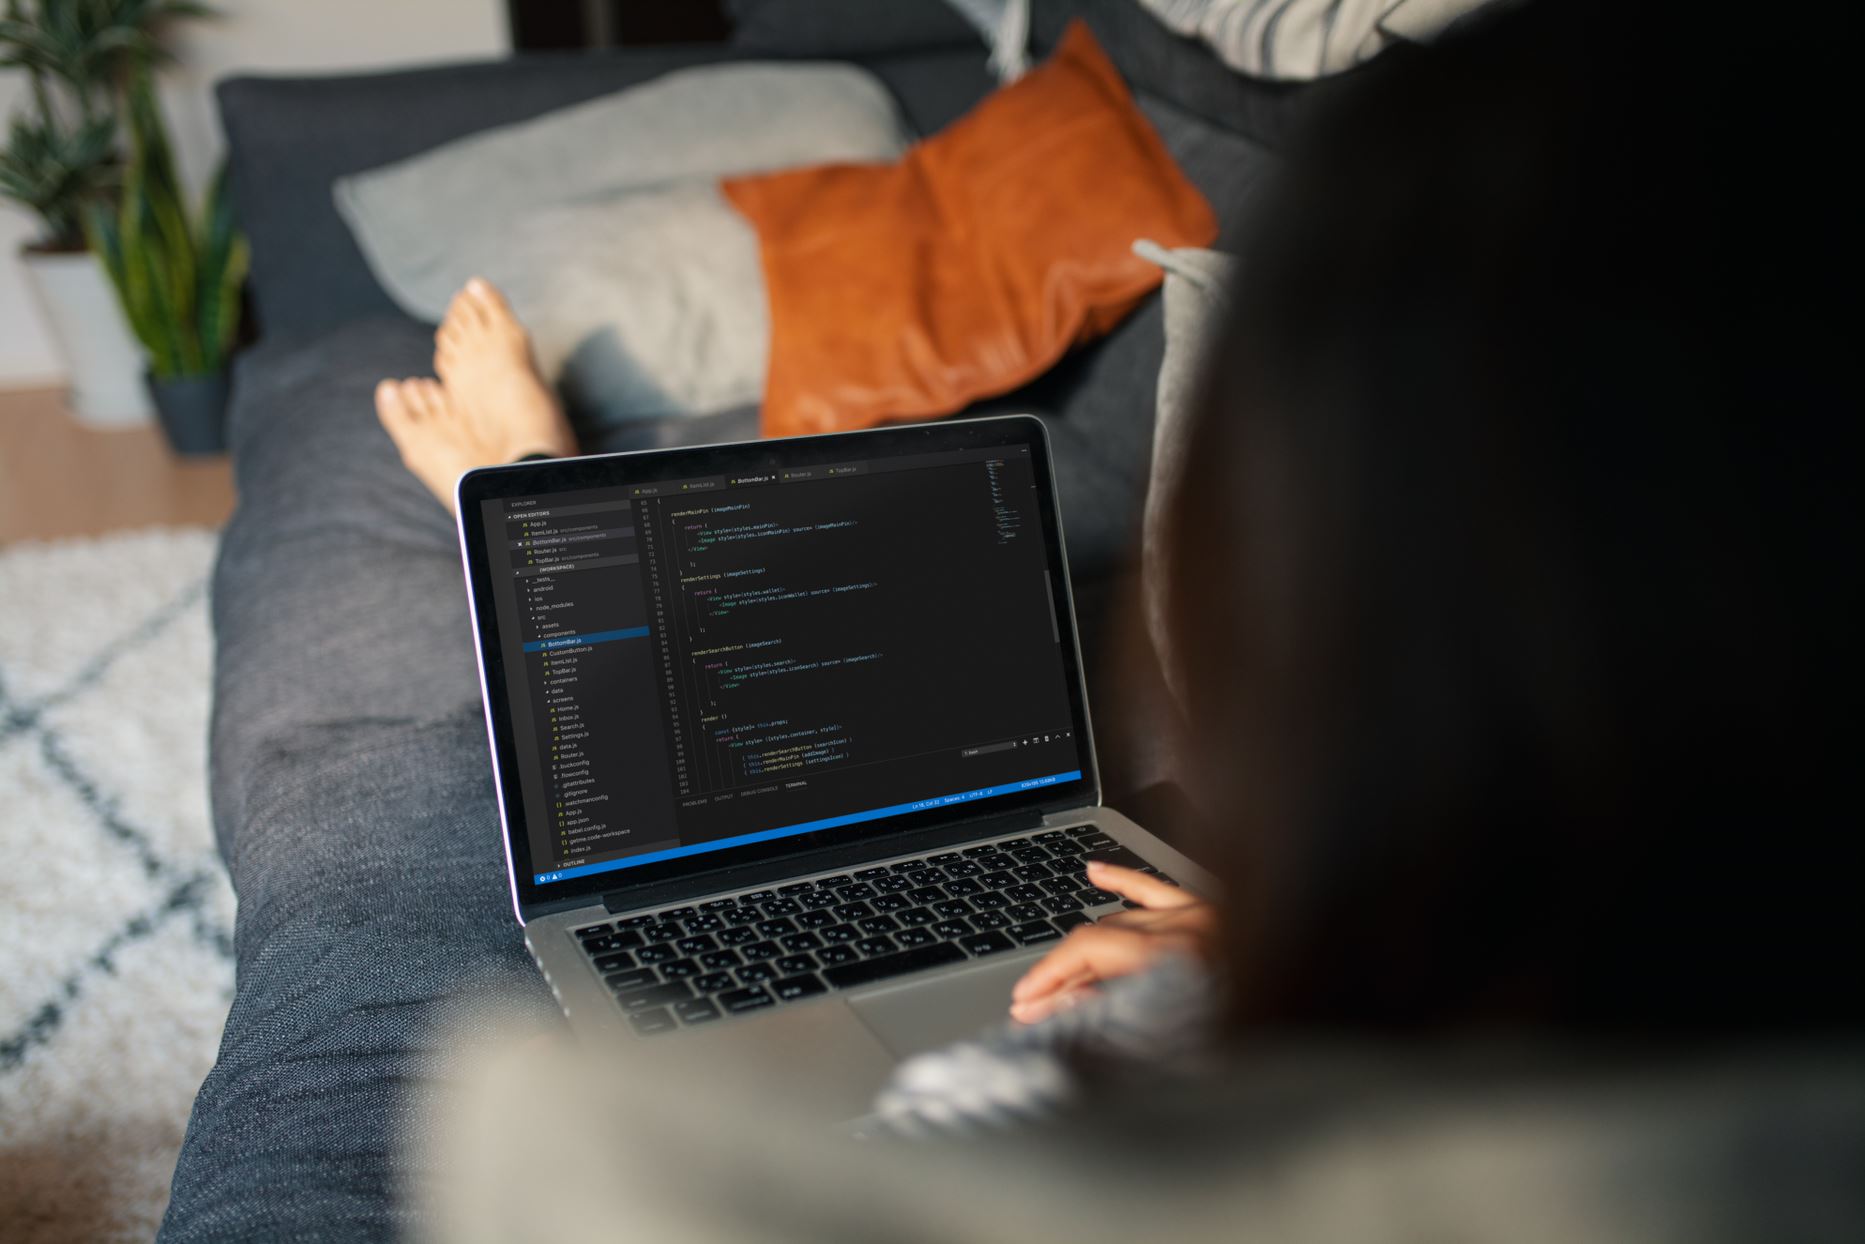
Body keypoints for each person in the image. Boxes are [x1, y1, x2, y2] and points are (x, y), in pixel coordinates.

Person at [162, 0, 1858, 1238]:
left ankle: (517, 509)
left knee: (721, 817)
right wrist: (1247, 952)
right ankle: (528, 503)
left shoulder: (921, 1161)